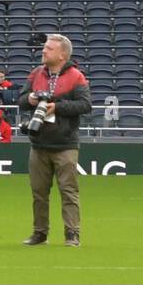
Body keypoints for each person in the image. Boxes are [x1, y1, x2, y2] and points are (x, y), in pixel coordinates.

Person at [19, 34, 91, 247]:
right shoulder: (35, 74)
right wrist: (30, 99)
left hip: (65, 144)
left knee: (68, 191)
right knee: (38, 192)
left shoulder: (77, 76)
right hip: (39, 143)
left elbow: (85, 105)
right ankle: (40, 233)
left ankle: (72, 234)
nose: (44, 51)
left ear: (62, 55)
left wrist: (57, 107)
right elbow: (21, 101)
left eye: (49, 48)